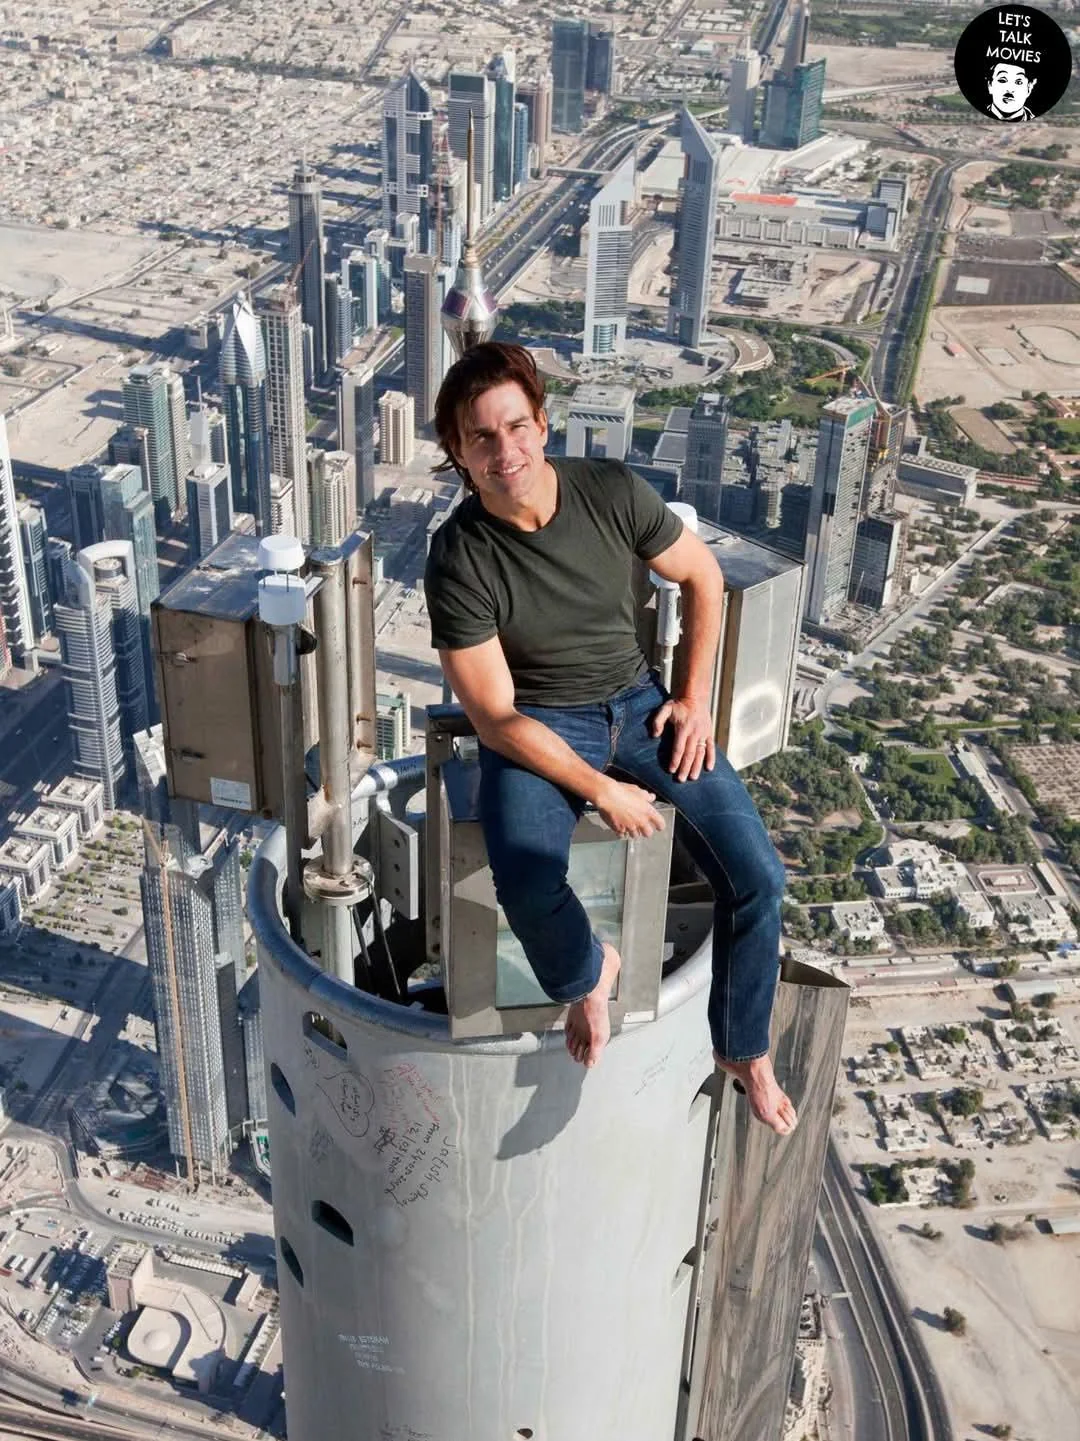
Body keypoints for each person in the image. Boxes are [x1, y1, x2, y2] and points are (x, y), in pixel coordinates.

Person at [423, 342, 796, 1136]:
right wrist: (602, 792)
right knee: (525, 877)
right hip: (539, 724)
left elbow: (703, 577)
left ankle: (743, 1047)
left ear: (543, 425)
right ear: (458, 452)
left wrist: (693, 700)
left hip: (638, 702)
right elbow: (495, 717)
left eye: (515, 427)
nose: (504, 451)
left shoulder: (611, 493)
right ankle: (589, 972)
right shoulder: (460, 557)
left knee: (759, 876)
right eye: (481, 437)